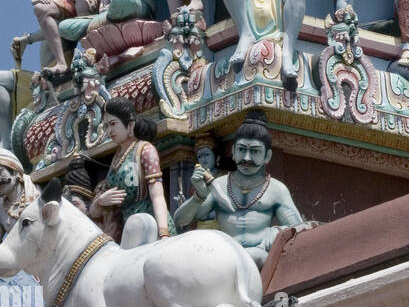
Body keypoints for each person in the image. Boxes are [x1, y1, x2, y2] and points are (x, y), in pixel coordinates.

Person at [173, 113, 304, 268]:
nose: (247, 158)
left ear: (267, 156)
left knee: (254, 257)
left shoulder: (276, 189)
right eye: (242, 150)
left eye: (255, 151)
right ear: (234, 152)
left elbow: (300, 228)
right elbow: (180, 221)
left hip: (259, 257)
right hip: (225, 256)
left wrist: (278, 230)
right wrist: (199, 196)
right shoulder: (219, 186)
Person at [88, 97, 174, 243]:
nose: (109, 131)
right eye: (106, 126)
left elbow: (157, 195)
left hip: (151, 227)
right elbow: (94, 213)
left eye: (113, 124)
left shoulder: (145, 150)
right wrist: (100, 202)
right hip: (128, 232)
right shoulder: (116, 158)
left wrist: (163, 233)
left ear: (130, 125)